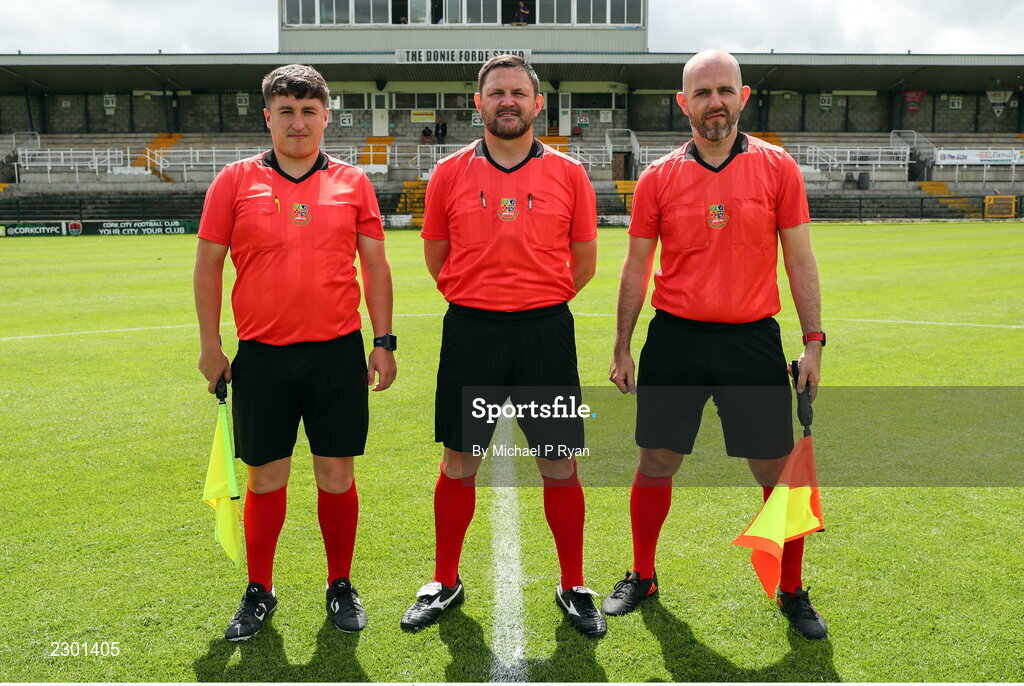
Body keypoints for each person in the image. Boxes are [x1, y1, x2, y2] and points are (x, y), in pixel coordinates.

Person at [601, 49, 828, 640]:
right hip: (675, 338)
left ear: (743, 96)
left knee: (776, 472)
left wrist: (813, 342)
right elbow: (635, 267)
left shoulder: (779, 169)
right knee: (657, 461)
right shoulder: (658, 177)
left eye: (724, 91)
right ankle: (642, 573)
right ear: (684, 103)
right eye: (702, 93)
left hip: (752, 340)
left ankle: (791, 588)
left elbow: (800, 258)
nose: (715, 103)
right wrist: (622, 345)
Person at [400, 54, 604, 636]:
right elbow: (436, 256)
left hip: (545, 333)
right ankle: (445, 579)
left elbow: (583, 262)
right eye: (496, 93)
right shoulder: (448, 174)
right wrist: (479, 298)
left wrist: (534, 298)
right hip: (471, 332)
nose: (507, 101)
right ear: (478, 102)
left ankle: (573, 585)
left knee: (558, 462)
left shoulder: (569, 174)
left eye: (518, 92)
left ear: (539, 104)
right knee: (460, 459)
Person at [194, 63, 397, 642]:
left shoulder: (353, 183)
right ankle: (260, 588)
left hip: (336, 354)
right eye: (286, 111)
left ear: (326, 116)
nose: (299, 122)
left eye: (309, 111)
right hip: (262, 356)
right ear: (268, 117)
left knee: (336, 474)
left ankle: (339, 583)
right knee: (265, 480)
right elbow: (208, 266)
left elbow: (375, 265)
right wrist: (211, 346)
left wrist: (382, 342)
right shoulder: (233, 181)